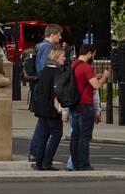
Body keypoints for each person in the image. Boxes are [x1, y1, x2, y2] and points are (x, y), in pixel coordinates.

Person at [68, 43, 110, 171]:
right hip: (85, 105)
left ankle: (75, 163)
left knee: (75, 135)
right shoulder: (86, 67)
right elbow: (96, 86)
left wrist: (94, 77)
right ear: (90, 53)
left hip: (74, 104)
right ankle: (84, 164)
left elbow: (82, 81)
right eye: (94, 54)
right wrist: (105, 77)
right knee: (84, 136)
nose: (94, 57)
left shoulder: (73, 65)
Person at [29, 45, 68, 170]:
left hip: (42, 109)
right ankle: (47, 162)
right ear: (57, 57)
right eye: (62, 56)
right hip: (53, 109)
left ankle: (38, 162)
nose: (65, 58)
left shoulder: (44, 71)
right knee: (56, 135)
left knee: (43, 136)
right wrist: (62, 110)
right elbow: (58, 92)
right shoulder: (58, 72)